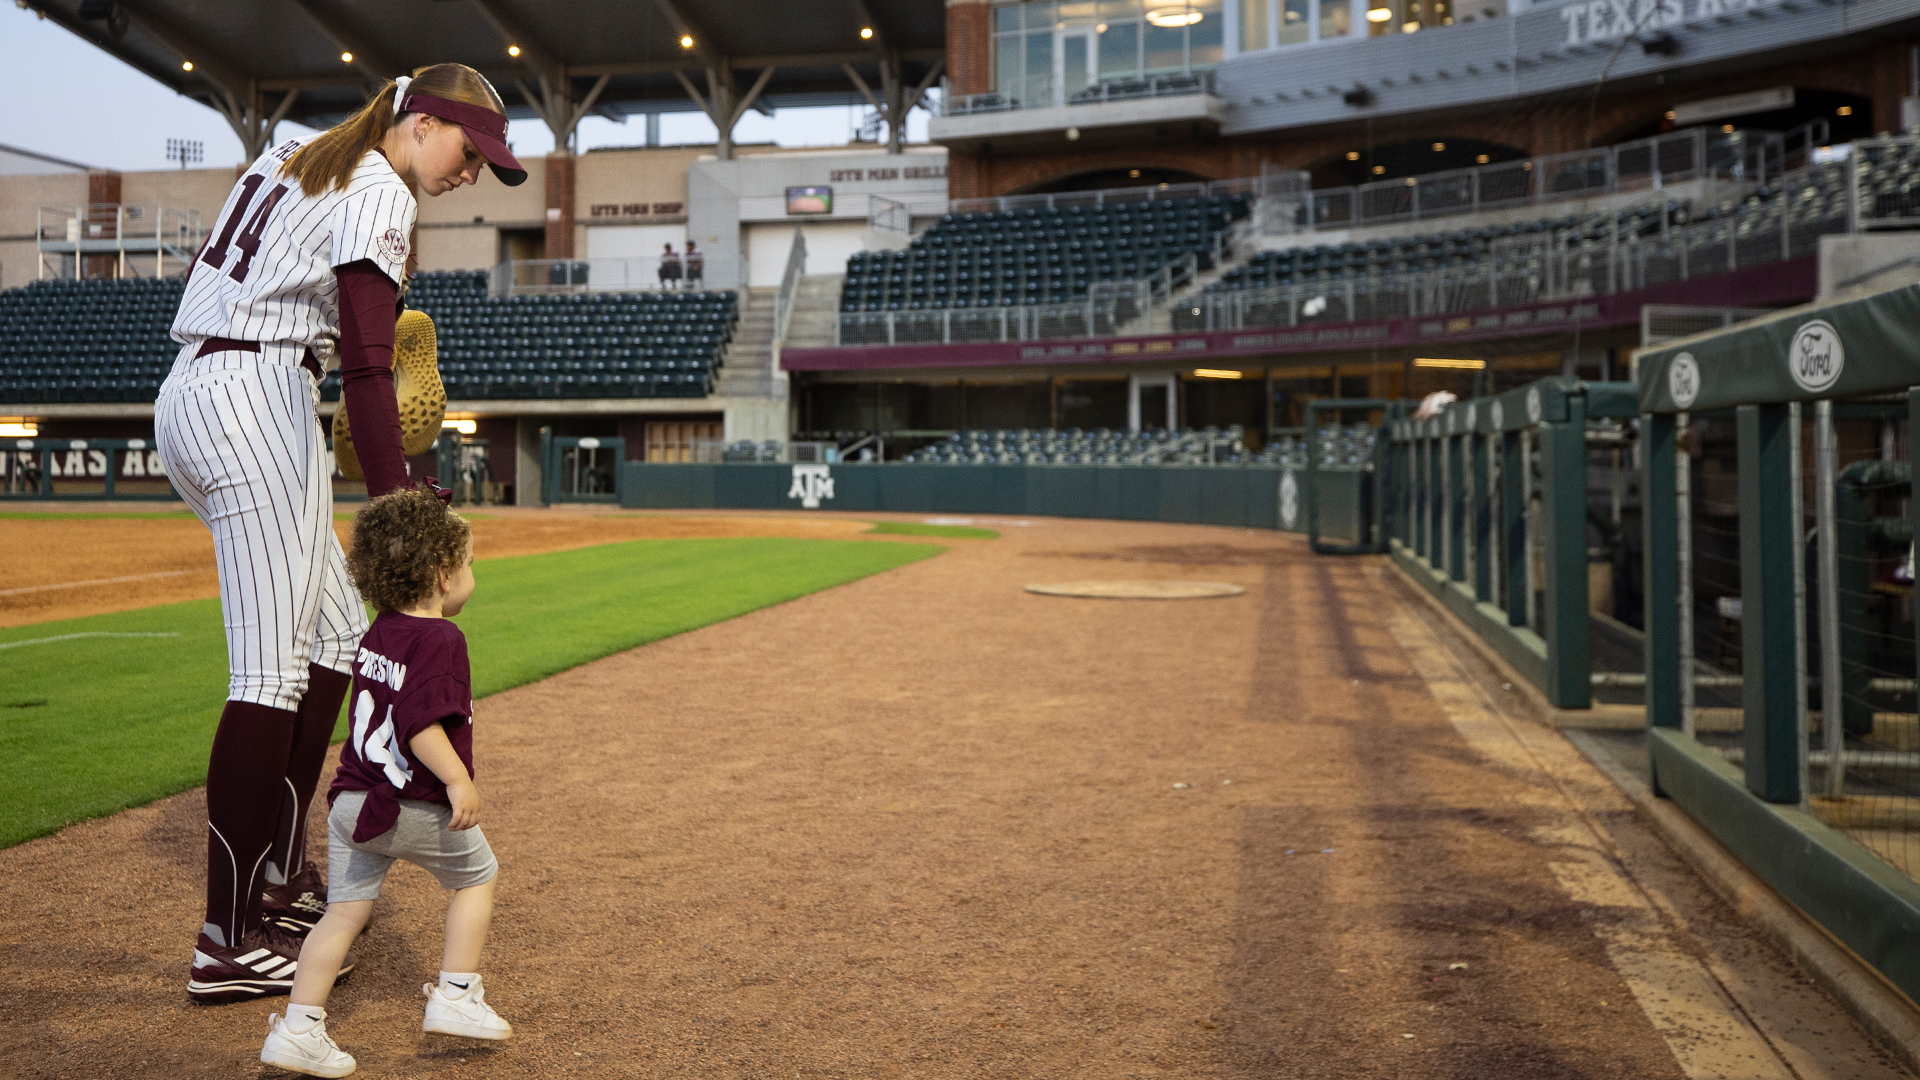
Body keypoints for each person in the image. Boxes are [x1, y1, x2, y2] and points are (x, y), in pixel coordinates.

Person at [158, 62, 525, 1004]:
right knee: (268, 676)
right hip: (254, 396)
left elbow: (346, 354)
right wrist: (398, 500)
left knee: (332, 643)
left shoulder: (303, 153)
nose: (472, 173)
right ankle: (224, 940)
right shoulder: (378, 187)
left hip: (214, 388)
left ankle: (276, 882)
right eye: (468, 150)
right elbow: (366, 370)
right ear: (420, 122)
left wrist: (396, 478)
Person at [259, 487, 506, 1077]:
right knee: (478, 877)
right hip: (406, 801)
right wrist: (457, 782)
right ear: (444, 574)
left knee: (343, 914)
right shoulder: (442, 639)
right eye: (468, 563)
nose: (473, 574)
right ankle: (456, 994)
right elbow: (419, 725)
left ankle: (299, 1029)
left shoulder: (379, 631)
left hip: (351, 802)